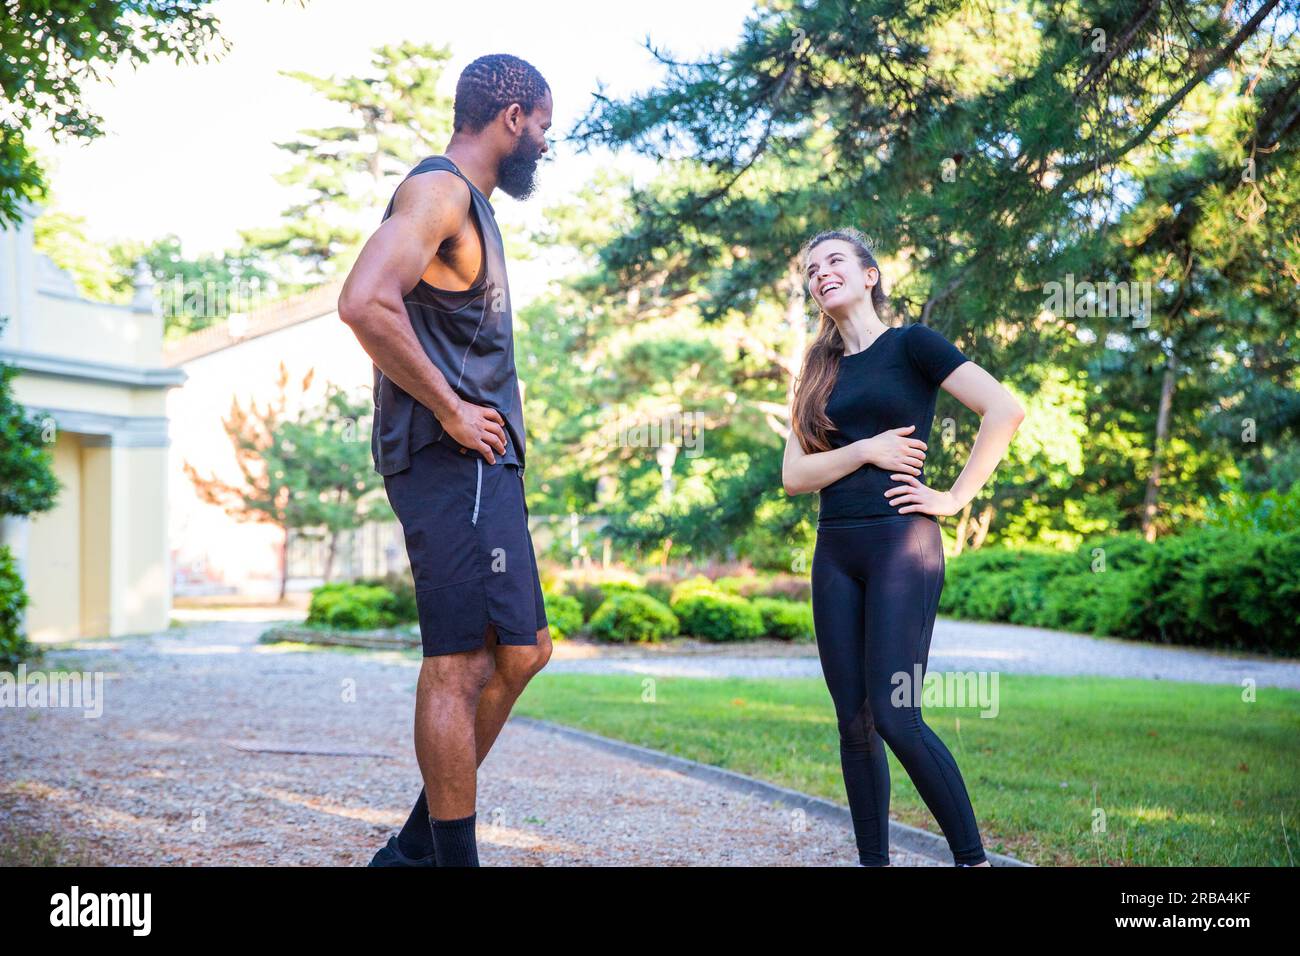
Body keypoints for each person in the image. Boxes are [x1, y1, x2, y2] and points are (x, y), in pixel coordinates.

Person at [337, 53, 554, 867]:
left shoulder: (471, 207)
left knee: (524, 649)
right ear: (511, 118)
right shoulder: (441, 191)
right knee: (459, 662)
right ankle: (440, 861)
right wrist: (453, 409)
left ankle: (414, 850)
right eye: (542, 125)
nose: (544, 142)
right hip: (448, 459)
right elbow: (362, 301)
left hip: (479, 467)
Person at [782, 227, 1025, 867]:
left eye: (835, 261)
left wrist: (953, 497)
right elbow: (794, 476)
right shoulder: (817, 368)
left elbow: (1003, 409)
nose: (821, 274)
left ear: (870, 275)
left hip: (900, 545)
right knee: (853, 724)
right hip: (835, 550)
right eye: (812, 270)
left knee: (896, 715)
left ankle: (972, 861)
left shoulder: (912, 344)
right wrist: (864, 450)